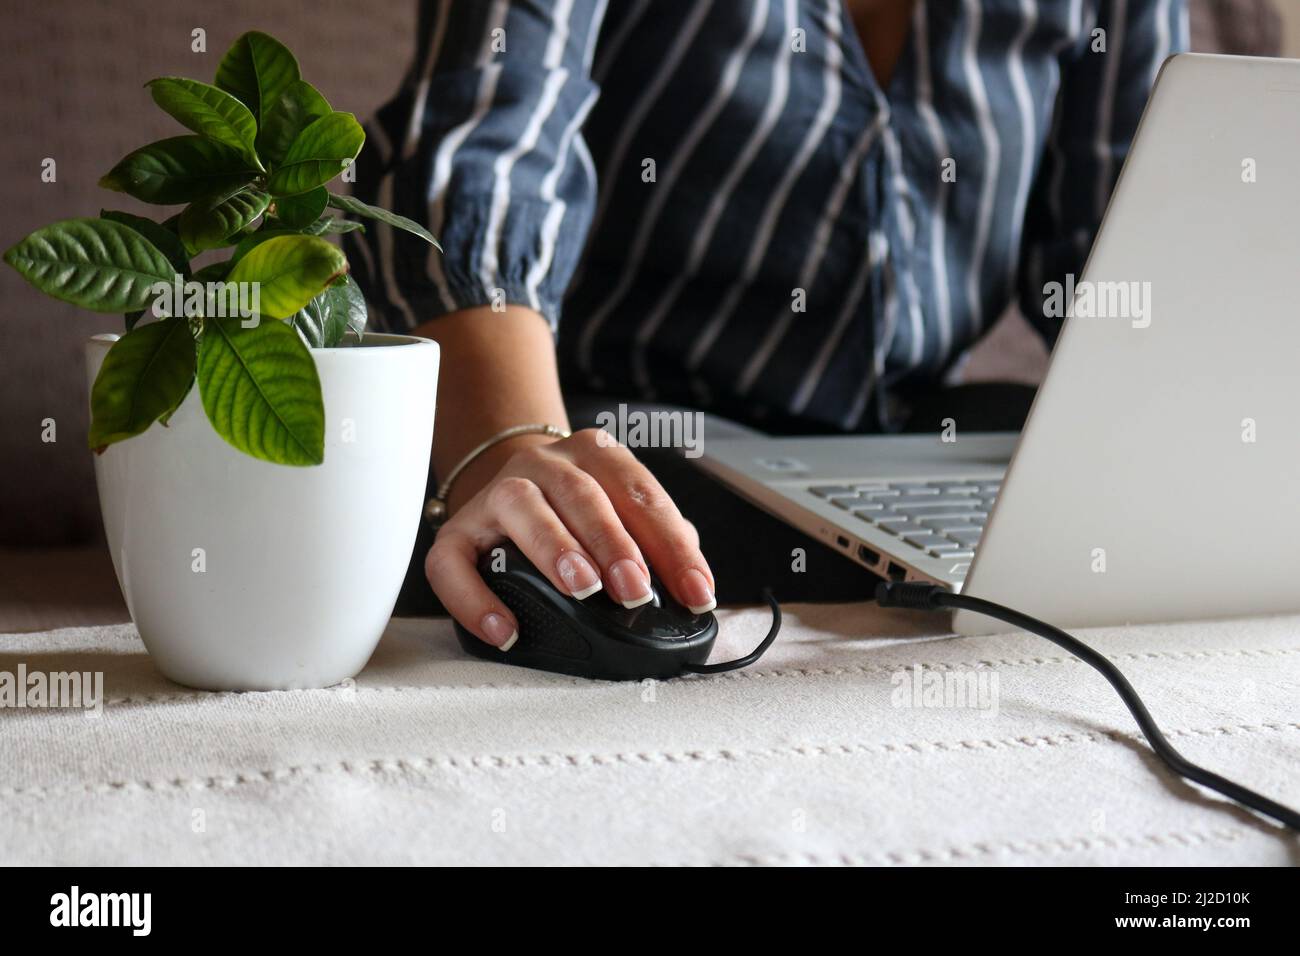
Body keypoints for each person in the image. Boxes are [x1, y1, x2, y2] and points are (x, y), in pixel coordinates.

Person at [347, 0, 1187, 650]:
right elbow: (485, 148)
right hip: (634, 438)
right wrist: (508, 451)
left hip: (913, 443)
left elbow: (1117, 240)